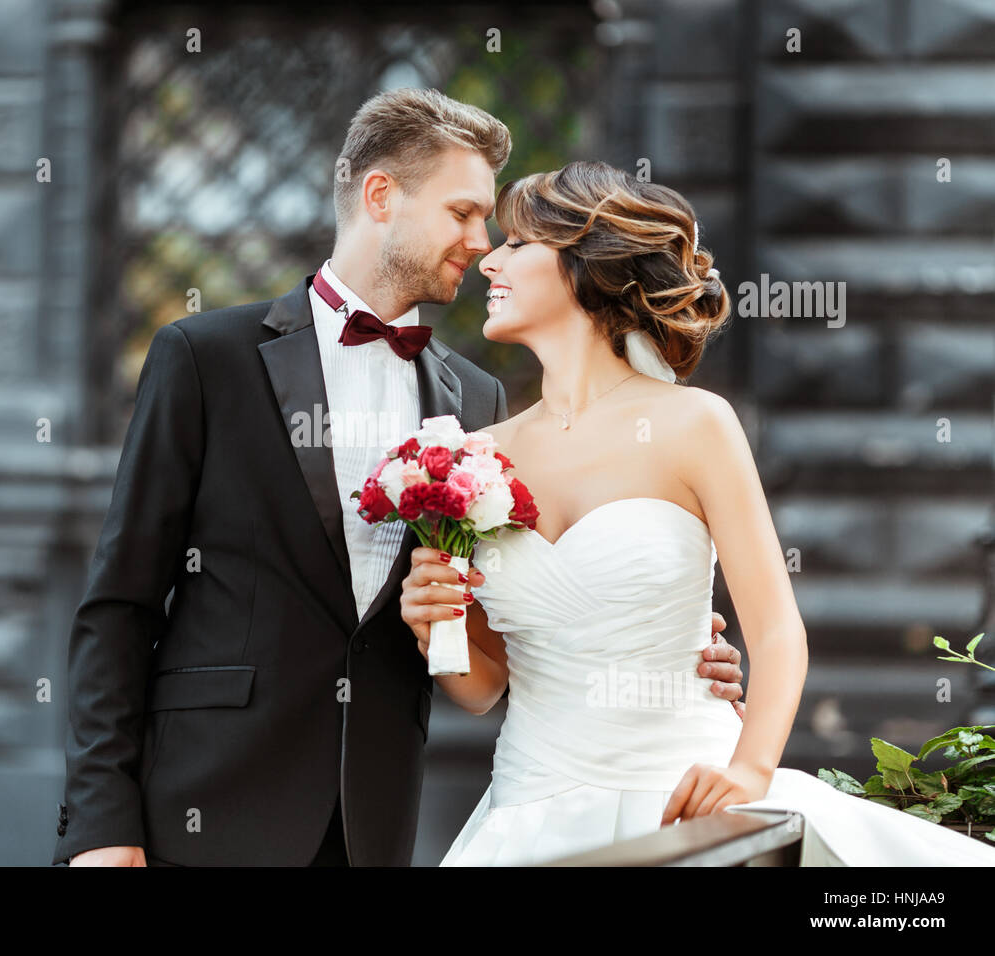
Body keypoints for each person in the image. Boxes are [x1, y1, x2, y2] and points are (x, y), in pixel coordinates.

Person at [54, 93, 745, 868]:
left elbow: (495, 628)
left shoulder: (477, 403)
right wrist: (100, 830)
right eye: (462, 212)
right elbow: (120, 605)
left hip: (370, 820)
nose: (480, 244)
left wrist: (663, 653)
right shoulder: (203, 357)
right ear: (380, 196)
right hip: (202, 807)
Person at [400, 159, 995, 866]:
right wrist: (432, 620)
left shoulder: (696, 425)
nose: (488, 261)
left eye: (517, 243)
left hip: (684, 801)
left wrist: (749, 769)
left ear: (587, 265)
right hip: (526, 813)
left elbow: (776, 632)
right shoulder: (469, 457)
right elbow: (480, 689)